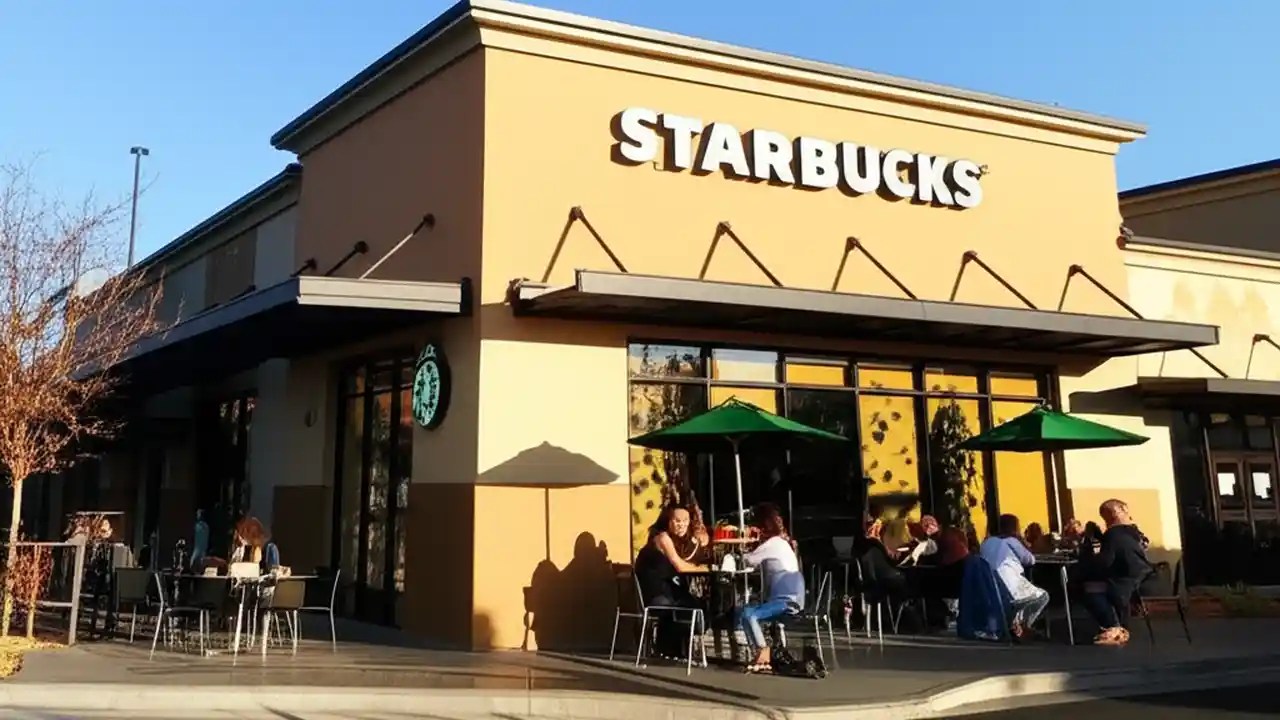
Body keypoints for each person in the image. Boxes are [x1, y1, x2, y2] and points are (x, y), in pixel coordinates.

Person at [632, 504, 708, 658]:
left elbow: (688, 558)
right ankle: (675, 650)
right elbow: (680, 565)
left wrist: (699, 542)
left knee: (694, 602)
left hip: (665, 592)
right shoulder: (662, 538)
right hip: (656, 596)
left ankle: (672, 649)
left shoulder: (676, 540)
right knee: (693, 606)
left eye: (686, 521)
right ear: (667, 521)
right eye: (677, 521)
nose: (682, 525)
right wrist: (707, 569)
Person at [737, 503, 804, 674]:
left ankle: (762, 651)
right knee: (746, 613)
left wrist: (741, 548)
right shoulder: (781, 543)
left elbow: (749, 560)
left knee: (750, 615)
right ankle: (760, 653)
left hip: (787, 600)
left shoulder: (774, 543)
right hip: (789, 598)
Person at [1083, 499, 1153, 646]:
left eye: (1109, 513)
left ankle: (1115, 627)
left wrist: (1090, 557)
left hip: (1127, 580)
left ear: (1123, 509)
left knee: (1091, 589)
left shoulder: (1113, 534)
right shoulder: (1134, 532)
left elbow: (1105, 562)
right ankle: (1115, 626)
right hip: (1144, 575)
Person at [979, 514, 1049, 639]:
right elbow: (1030, 560)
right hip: (1010, 588)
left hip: (989, 587)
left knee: (1022, 596)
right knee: (1042, 596)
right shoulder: (1011, 541)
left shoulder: (986, 543)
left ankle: (1015, 625)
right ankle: (1023, 626)